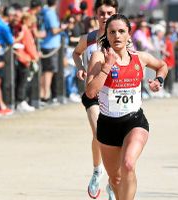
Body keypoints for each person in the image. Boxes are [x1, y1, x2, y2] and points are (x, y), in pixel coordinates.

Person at [85, 13, 168, 200]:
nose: (117, 36)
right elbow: (90, 92)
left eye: (122, 31)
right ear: (106, 34)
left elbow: (162, 65)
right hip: (107, 124)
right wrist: (107, 66)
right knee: (115, 179)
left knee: (129, 164)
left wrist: (159, 80)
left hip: (134, 121)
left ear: (129, 34)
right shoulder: (99, 57)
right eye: (112, 32)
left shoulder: (140, 58)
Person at [72, 0, 118, 199]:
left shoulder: (122, 38)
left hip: (115, 95)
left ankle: (113, 181)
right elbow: (76, 53)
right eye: (102, 13)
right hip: (92, 95)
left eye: (109, 13)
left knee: (115, 140)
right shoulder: (89, 38)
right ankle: (97, 171)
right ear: (96, 14)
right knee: (99, 133)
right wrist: (80, 67)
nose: (105, 17)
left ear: (115, 13)